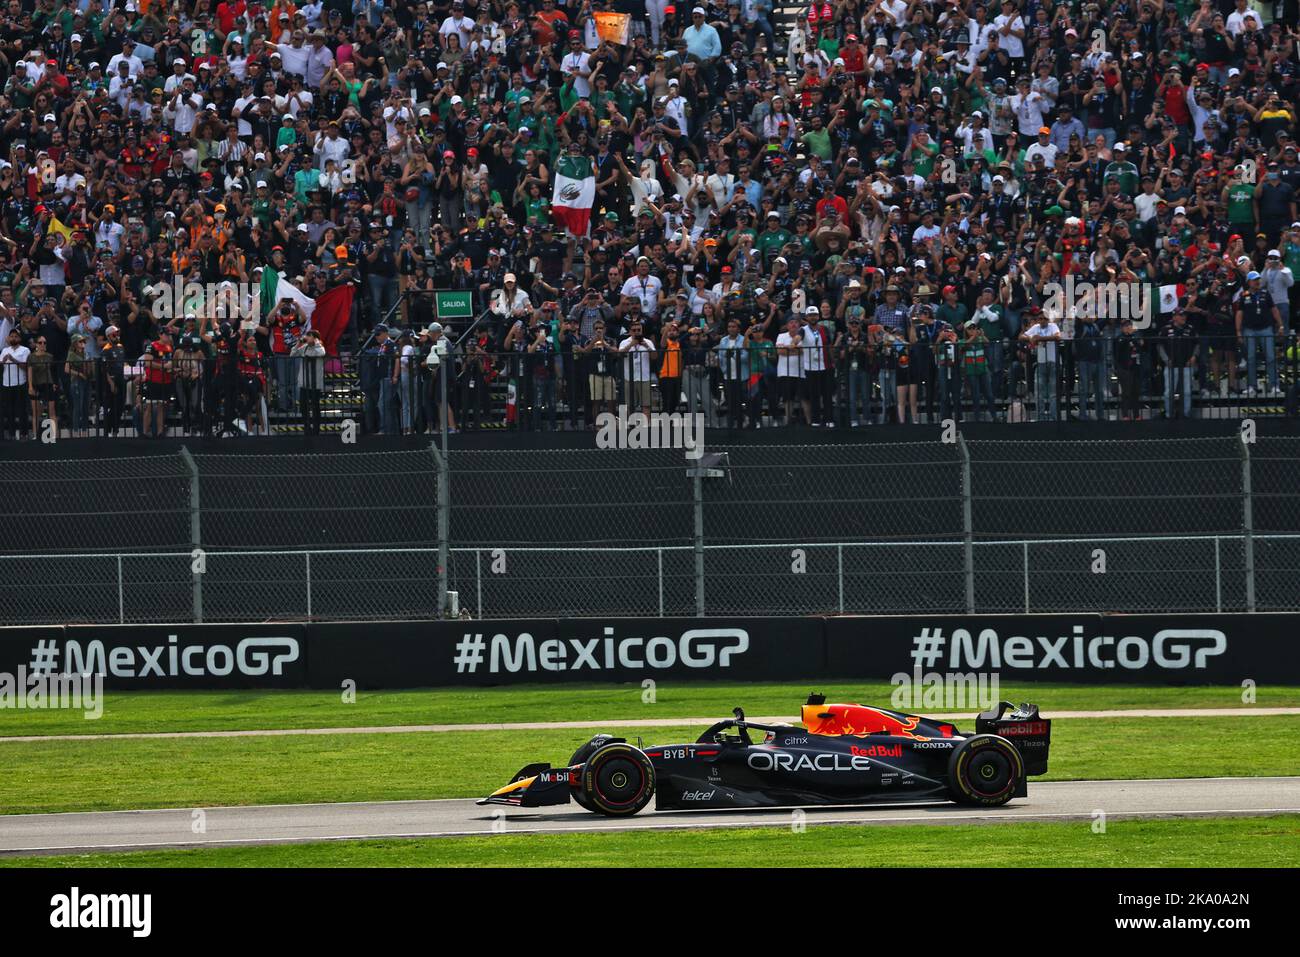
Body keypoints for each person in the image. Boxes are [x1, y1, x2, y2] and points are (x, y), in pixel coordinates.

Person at [292, 329, 327, 436]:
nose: (307, 338)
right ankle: (307, 427)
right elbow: (292, 354)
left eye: (310, 336)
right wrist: (298, 343)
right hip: (304, 383)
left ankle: (316, 429)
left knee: (315, 407)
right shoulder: (304, 348)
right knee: (304, 407)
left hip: (315, 383)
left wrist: (316, 342)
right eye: (307, 336)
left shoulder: (319, 348)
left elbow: (321, 353)